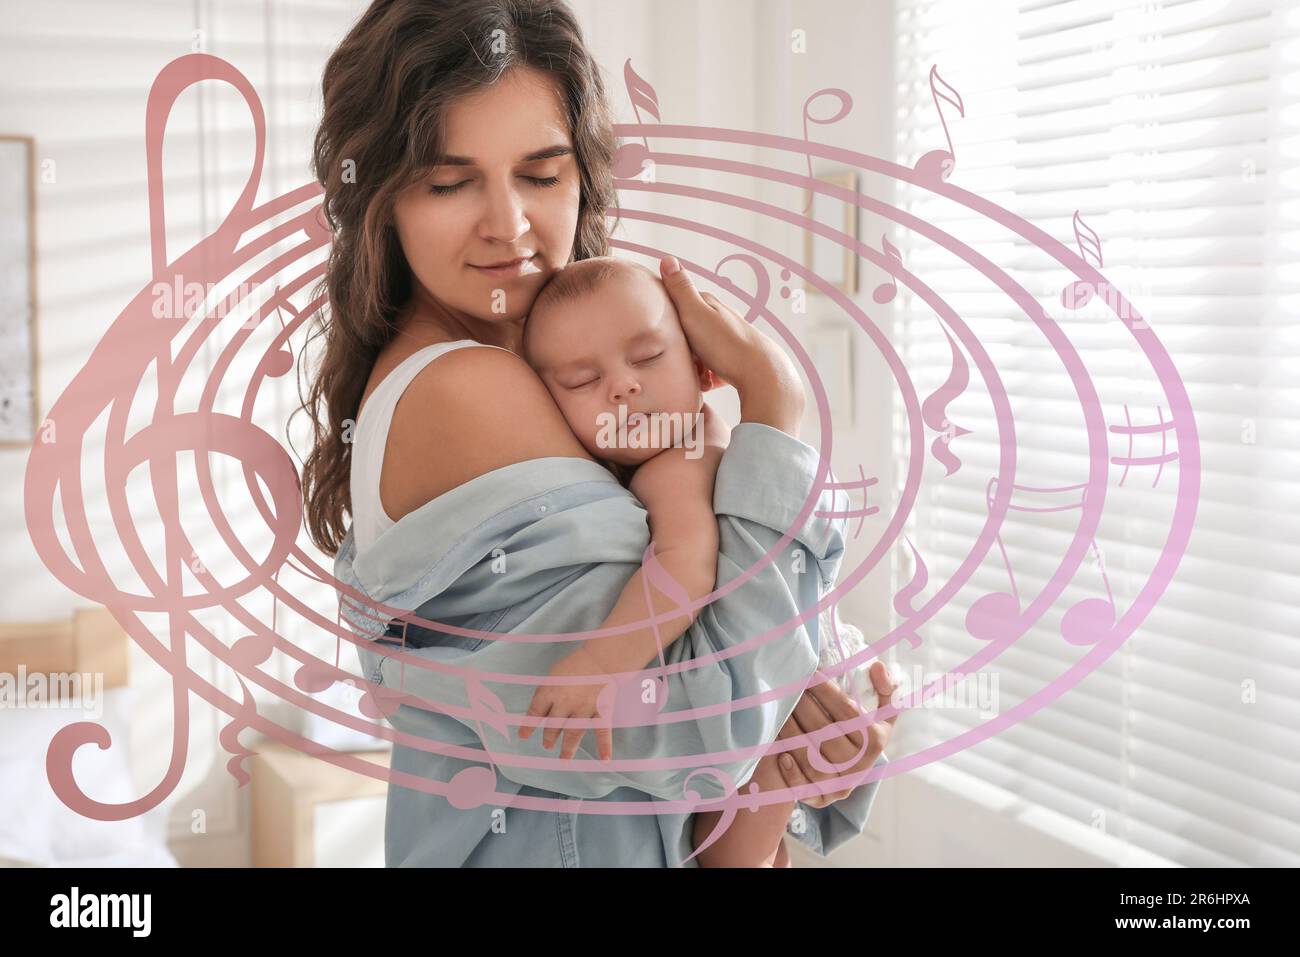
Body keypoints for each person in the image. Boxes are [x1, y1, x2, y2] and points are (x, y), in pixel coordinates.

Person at [302, 0, 898, 867]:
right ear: (380, 197)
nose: (507, 224)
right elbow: (703, 730)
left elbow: (713, 712)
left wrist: (811, 719)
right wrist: (775, 404)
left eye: (541, 175)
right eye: (448, 181)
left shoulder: (567, 362)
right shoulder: (466, 389)